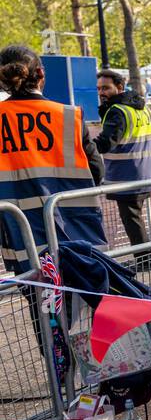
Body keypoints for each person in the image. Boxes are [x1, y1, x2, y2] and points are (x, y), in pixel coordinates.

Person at [0, 44, 105, 271]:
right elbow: (97, 170)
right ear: (41, 73)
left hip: (18, 232)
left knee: (37, 299)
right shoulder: (68, 115)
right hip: (71, 227)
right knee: (77, 298)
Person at [94, 69, 151, 258]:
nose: (101, 93)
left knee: (132, 218)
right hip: (143, 172)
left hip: (126, 176)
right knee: (135, 217)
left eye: (106, 88)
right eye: (98, 89)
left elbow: (105, 143)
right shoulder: (141, 108)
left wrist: (83, 144)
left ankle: (146, 260)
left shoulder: (117, 111)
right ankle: (146, 257)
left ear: (119, 87)